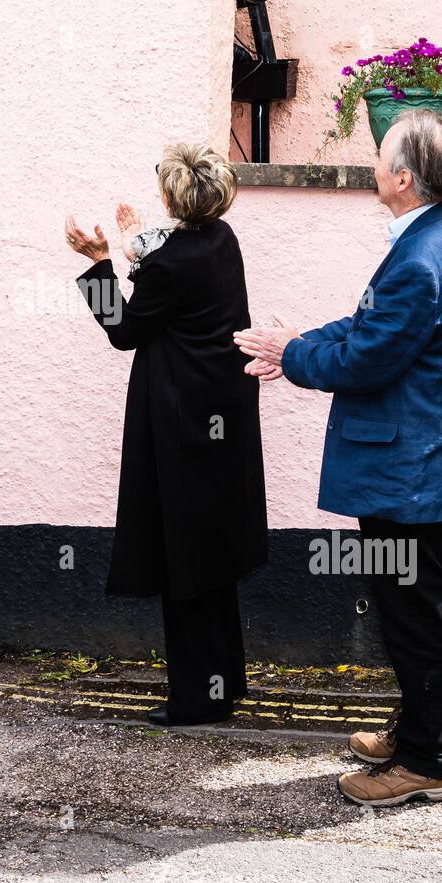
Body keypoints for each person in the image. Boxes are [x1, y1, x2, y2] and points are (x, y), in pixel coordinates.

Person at [236, 111, 442, 806]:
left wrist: (292, 354)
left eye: (380, 157)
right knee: (423, 607)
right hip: (430, 460)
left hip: (410, 469)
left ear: (403, 177)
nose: (372, 165)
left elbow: (366, 357)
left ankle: (429, 762)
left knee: (415, 613)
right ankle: (418, 730)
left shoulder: (421, 257)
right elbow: (366, 323)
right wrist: (296, 341)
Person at [66, 143, 268, 726]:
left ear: (173, 197)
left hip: (180, 419)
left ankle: (195, 699)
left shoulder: (173, 260)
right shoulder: (220, 241)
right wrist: (137, 249)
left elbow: (126, 331)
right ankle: (223, 682)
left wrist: (101, 262)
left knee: (183, 553)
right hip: (221, 413)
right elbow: (173, 270)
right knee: (212, 552)